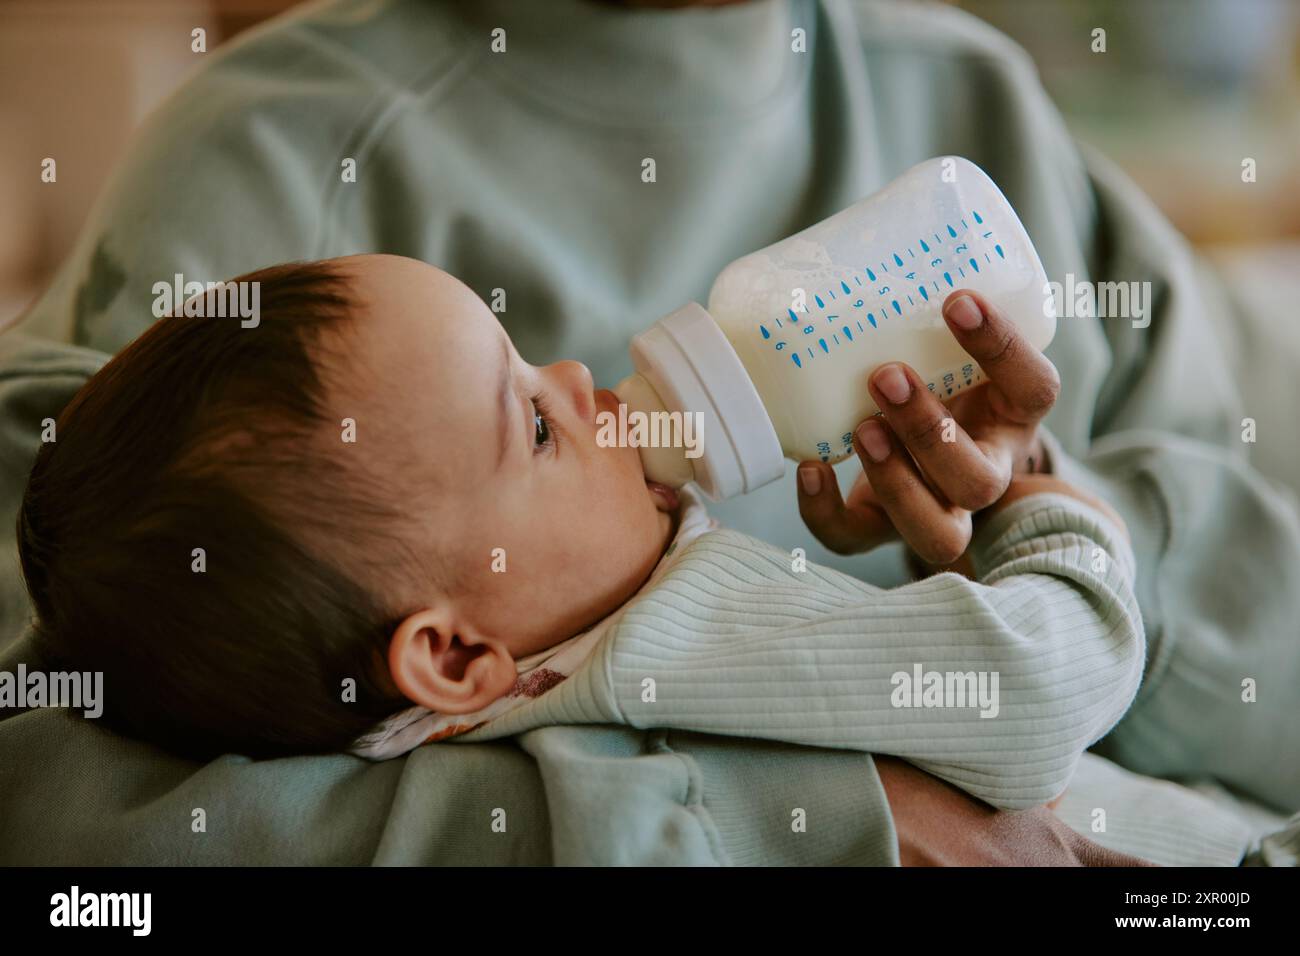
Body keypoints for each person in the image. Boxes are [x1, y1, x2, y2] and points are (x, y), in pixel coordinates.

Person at [8, 0, 1297, 861]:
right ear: (451, 656)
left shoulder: (976, 101)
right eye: (532, 418)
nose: (580, 374)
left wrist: (1028, 496)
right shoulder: (271, 166)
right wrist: (798, 827)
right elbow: (56, 797)